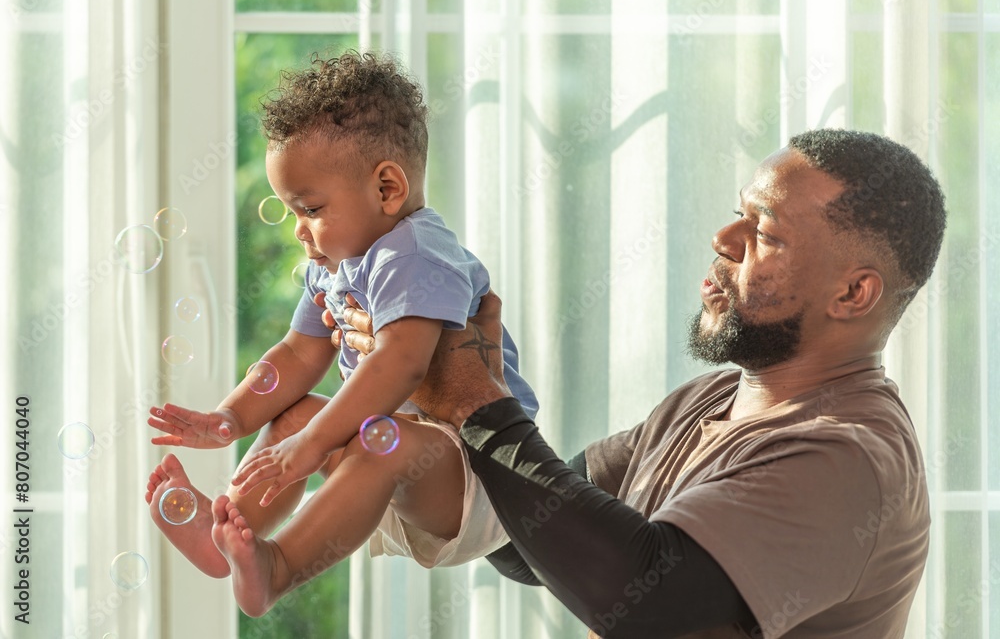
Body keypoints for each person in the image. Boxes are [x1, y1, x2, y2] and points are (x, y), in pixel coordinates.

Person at [336, 129, 946, 637]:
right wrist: (445, 389)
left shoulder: (848, 457)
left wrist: (473, 398)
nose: (723, 240)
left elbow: (655, 609)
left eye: (764, 233)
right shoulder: (708, 401)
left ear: (852, 293)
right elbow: (525, 542)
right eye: (740, 214)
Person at [144, 50, 538, 618]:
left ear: (387, 189)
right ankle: (225, 535)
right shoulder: (335, 263)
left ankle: (277, 567)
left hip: (486, 472)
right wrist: (229, 419)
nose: (300, 231)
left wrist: (313, 446)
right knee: (298, 414)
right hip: (395, 459)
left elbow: (401, 362)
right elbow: (299, 353)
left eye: (310, 208)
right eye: (291, 212)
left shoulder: (416, 253)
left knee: (343, 435)